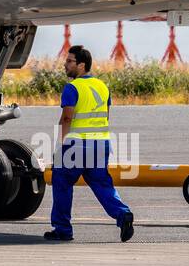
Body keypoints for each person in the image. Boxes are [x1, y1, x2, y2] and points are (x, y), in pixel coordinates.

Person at [44, 45, 135, 242]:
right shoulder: (103, 86)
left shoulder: (72, 88)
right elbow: (106, 117)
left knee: (61, 182)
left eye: (69, 61)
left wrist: (61, 146)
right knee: (102, 184)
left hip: (76, 145)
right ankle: (123, 214)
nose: (65, 65)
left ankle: (63, 229)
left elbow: (67, 118)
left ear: (81, 65)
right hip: (101, 144)